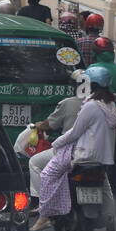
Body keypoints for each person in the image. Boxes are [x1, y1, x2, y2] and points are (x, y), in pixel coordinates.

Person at [32, 65, 116, 231]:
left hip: (82, 157)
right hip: (104, 161)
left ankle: (46, 213)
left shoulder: (90, 106)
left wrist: (57, 143)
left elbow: (74, 132)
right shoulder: (111, 106)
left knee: (49, 174)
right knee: (107, 191)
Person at [27, 71, 86, 201]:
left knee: (34, 162)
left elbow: (50, 125)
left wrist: (38, 125)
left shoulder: (68, 103)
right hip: (95, 152)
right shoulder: (104, 104)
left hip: (70, 151)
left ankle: (41, 200)